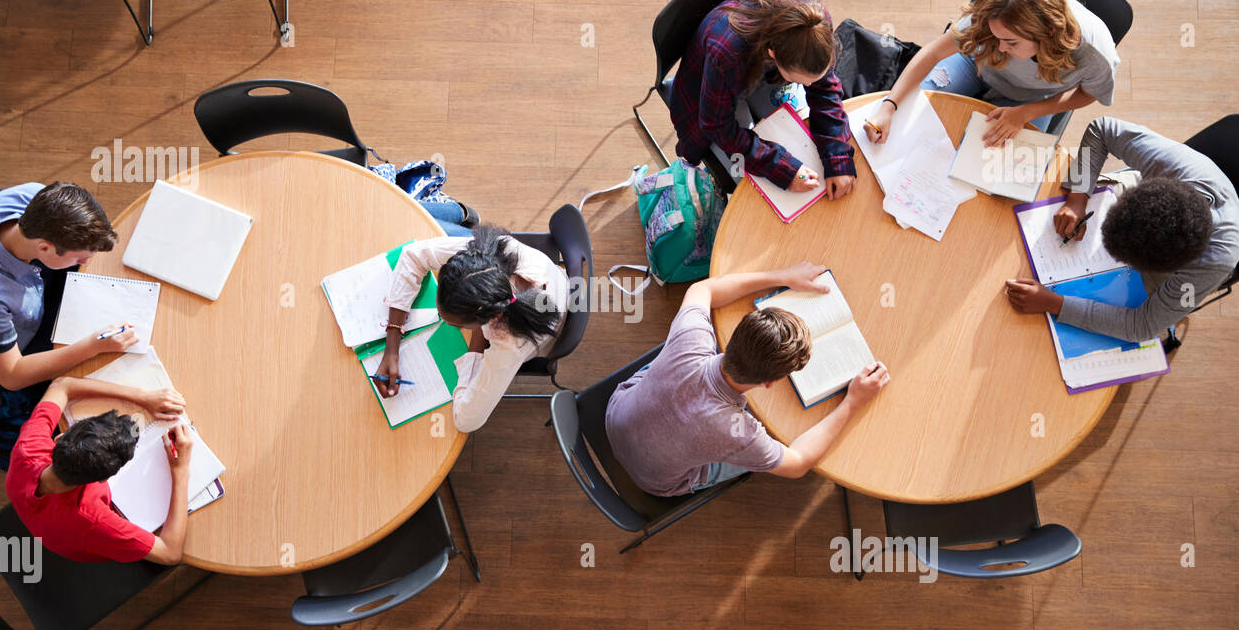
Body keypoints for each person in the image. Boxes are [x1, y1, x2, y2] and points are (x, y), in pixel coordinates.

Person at [605, 262, 890, 497]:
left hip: (615, 415)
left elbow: (701, 288)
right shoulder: (738, 430)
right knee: (760, 452)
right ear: (770, 383)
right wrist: (852, 402)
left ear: (735, 332)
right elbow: (797, 464)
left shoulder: (693, 336)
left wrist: (780, 276)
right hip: (657, 482)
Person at [1005, 117, 1239, 341]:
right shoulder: (1172, 164)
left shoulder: (1214, 262)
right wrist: (1078, 198)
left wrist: (1056, 304)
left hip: (1182, 264)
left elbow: (1142, 326)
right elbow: (1102, 128)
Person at [865, 0, 1119, 146]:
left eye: (1010, 42)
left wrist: (1027, 112)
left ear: (1049, 32)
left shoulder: (1097, 53)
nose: (1000, 48)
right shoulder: (999, 11)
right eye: (995, 36)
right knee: (911, 115)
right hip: (973, 63)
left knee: (1000, 175)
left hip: (1032, 99)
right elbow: (933, 53)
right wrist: (889, 107)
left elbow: (1090, 94)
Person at [0, 180, 140, 393]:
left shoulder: (35, 194)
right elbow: (12, 375)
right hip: (14, 332)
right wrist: (93, 346)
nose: (86, 264)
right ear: (45, 248)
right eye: (80, 258)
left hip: (12, 274)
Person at [374, 224, 568, 433]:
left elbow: (466, 421)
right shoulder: (484, 259)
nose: (442, 320)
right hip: (547, 286)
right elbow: (413, 255)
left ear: (492, 317)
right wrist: (392, 344)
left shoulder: (509, 344)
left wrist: (478, 340)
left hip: (549, 323)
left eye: (455, 323)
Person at [669, 0, 858, 199]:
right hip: (711, 88)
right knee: (743, 180)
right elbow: (716, 126)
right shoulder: (726, 56)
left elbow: (824, 87)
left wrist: (838, 158)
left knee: (795, 124)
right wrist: (781, 168)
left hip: (755, 74)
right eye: (800, 80)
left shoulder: (816, 26)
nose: (811, 85)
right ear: (774, 54)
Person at [5, 376, 193, 564]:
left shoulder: (28, 448)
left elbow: (62, 385)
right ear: (102, 480)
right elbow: (170, 553)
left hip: (42, 523)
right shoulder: (92, 519)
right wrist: (181, 469)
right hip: (94, 544)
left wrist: (142, 396)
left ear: (60, 439)